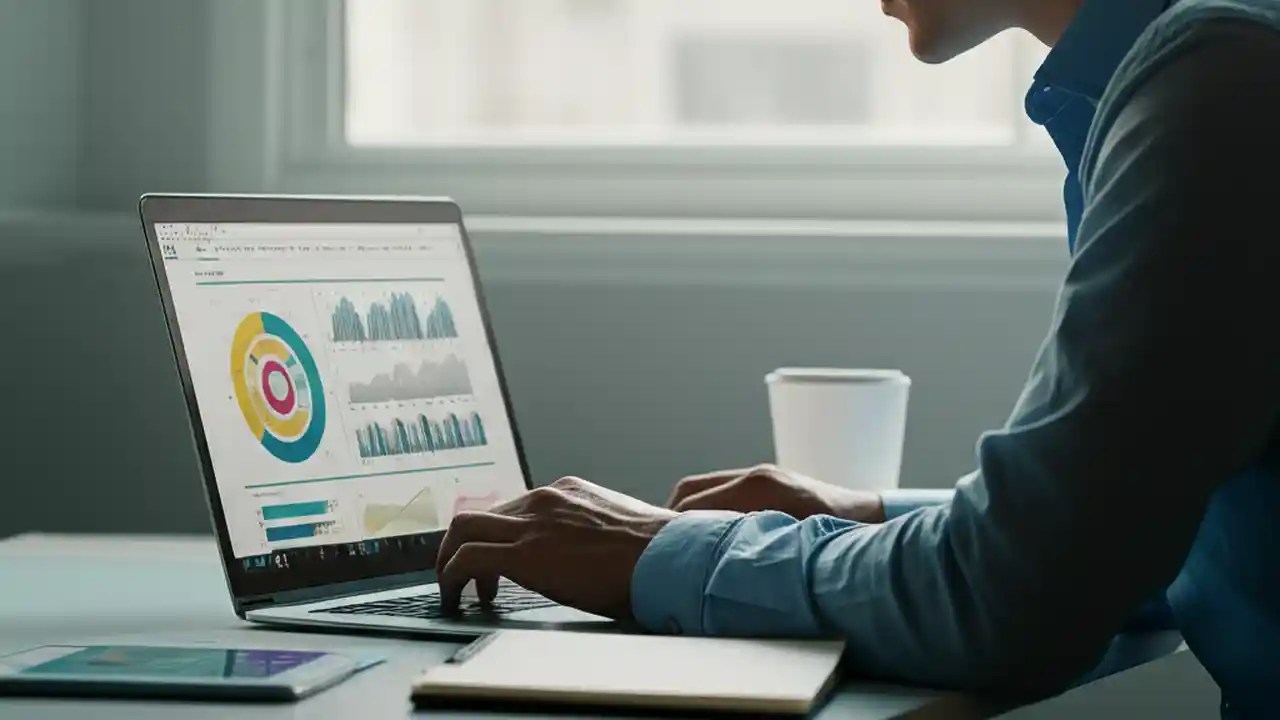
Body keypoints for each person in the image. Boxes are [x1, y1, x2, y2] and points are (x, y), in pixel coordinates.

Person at [436, 0, 1280, 716]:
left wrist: (660, 553)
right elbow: (1132, 536)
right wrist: (879, 515)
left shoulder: (1223, 83)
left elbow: (1018, 600)